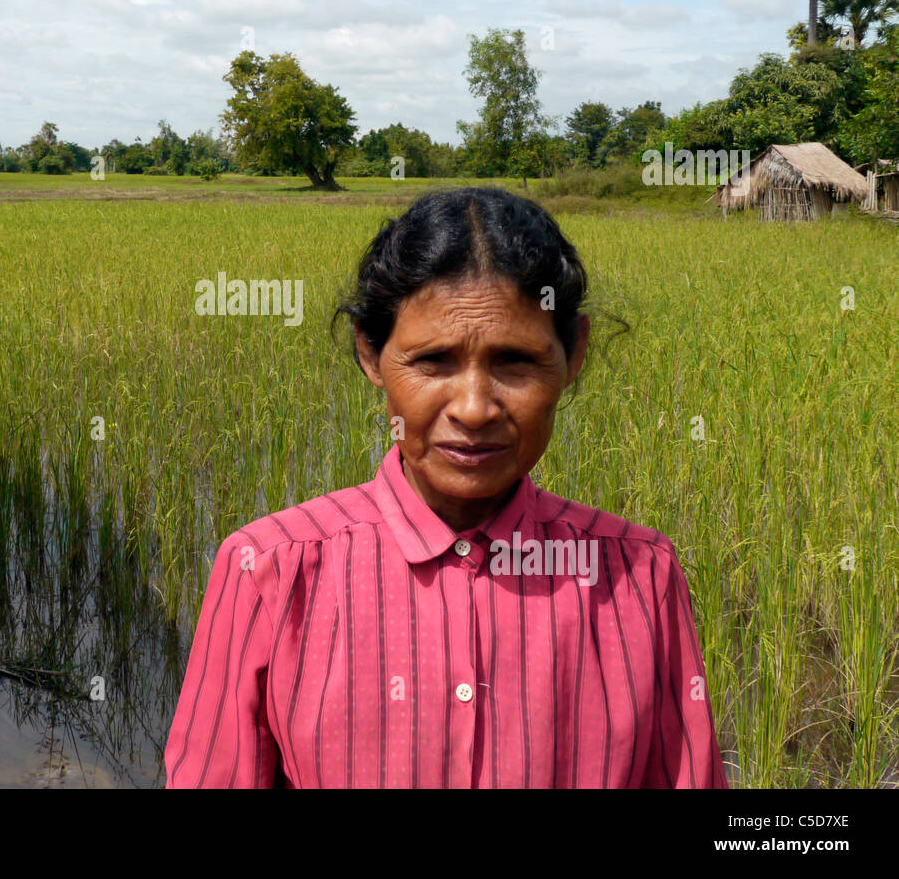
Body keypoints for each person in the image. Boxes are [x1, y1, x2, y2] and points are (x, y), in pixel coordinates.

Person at [164, 187, 727, 788]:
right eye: (433, 361)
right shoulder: (271, 571)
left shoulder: (640, 575)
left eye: (515, 361)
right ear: (371, 356)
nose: (475, 408)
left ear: (574, 355)